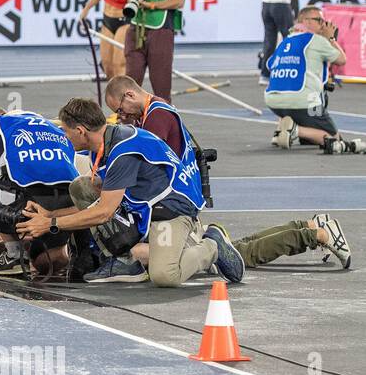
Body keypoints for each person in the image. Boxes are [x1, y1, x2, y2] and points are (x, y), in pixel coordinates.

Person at [105, 74, 351, 270]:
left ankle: (315, 234)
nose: (121, 117)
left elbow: (143, 165)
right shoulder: (157, 109)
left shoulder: (156, 117)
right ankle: (307, 226)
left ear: (130, 94)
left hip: (178, 205)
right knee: (240, 248)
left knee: (243, 255)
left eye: (121, 110)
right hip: (185, 198)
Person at [17, 98, 245, 287]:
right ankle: (123, 260)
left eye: (65, 132)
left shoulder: (122, 153)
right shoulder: (103, 145)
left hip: (171, 211)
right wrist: (49, 214)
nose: (64, 138)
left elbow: (104, 212)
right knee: (83, 187)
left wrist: (51, 224)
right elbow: (97, 204)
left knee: (165, 276)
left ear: (80, 130)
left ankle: (211, 245)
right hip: (141, 205)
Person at [0, 106, 83, 276]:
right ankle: (79, 252)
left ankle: (13, 254)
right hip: (70, 202)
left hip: (28, 201)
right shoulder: (49, 124)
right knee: (47, 262)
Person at [266, 6, 365, 153]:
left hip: (273, 101)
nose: (323, 24)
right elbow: (341, 59)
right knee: (334, 137)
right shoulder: (316, 40)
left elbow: (269, 64)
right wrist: (330, 38)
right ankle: (295, 130)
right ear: (305, 21)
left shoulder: (285, 41)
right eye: (319, 20)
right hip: (305, 101)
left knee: (300, 103)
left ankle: (281, 129)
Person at [226, 0, 326, 83]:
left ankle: (265, 75)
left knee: (269, 41)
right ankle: (293, 71)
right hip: (281, 7)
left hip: (266, 8)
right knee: (291, 39)